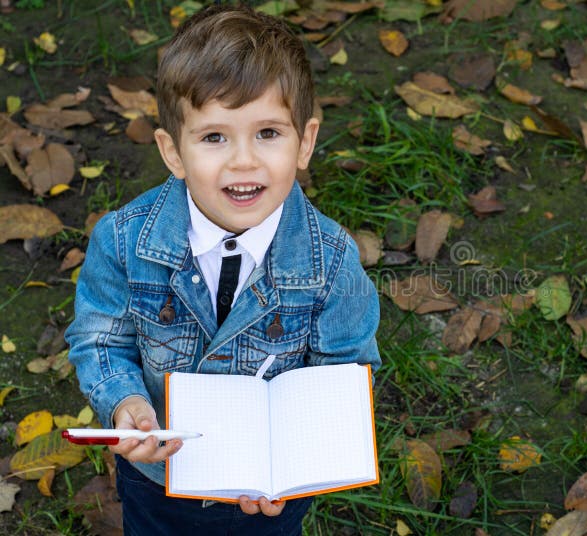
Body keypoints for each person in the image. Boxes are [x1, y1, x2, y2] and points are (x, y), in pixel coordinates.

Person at [65, 5, 380, 534]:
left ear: (305, 141)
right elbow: (100, 338)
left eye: (268, 134)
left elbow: (343, 377)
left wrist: (299, 472)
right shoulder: (123, 242)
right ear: (173, 151)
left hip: (269, 493)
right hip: (159, 475)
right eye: (214, 137)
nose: (243, 162)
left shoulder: (333, 262)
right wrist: (126, 402)